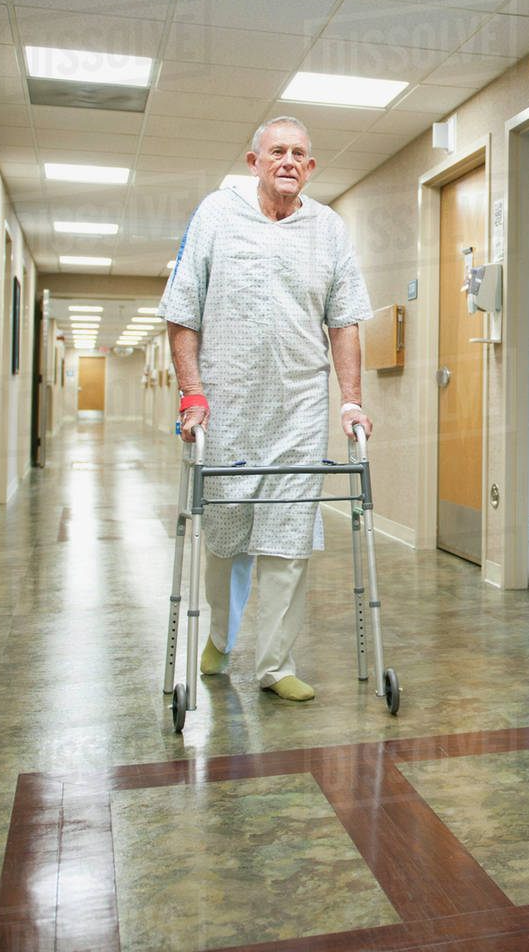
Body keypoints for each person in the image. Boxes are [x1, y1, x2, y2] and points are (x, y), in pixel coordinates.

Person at [158, 116, 373, 702]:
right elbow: (183, 309)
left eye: (299, 154)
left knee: (288, 537)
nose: (287, 161)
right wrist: (192, 391)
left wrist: (350, 401)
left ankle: (276, 665)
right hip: (227, 404)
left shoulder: (328, 229)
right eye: (276, 151)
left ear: (310, 167)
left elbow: (345, 319)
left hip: (299, 409)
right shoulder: (215, 215)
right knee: (226, 536)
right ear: (253, 161)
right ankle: (222, 640)